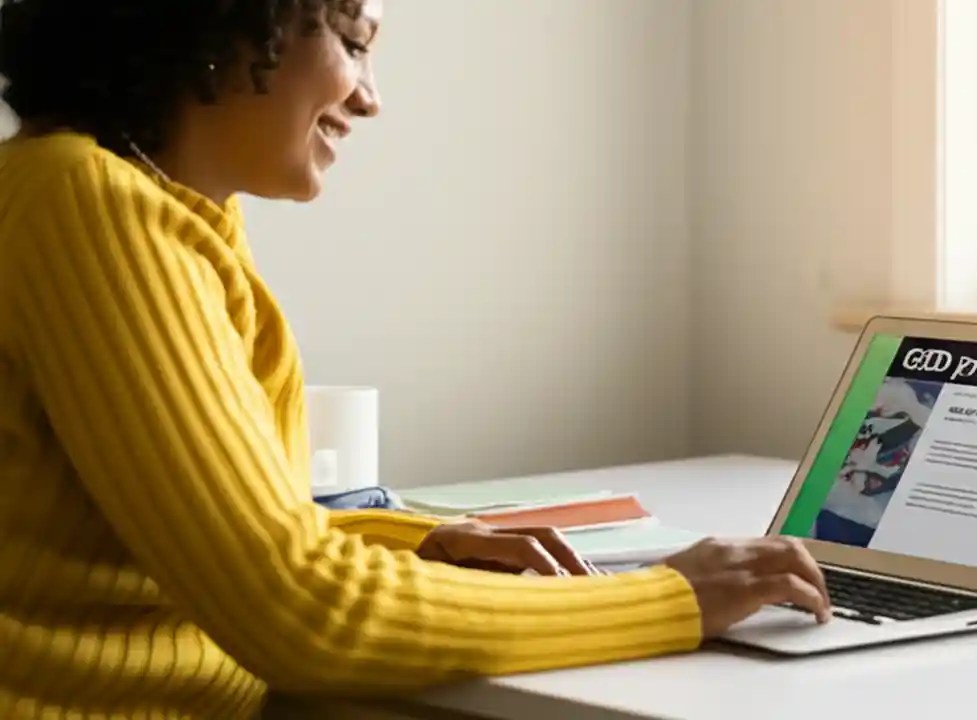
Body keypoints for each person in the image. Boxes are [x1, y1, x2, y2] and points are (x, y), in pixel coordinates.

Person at [0, 1, 831, 717]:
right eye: (354, 43)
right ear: (229, 23)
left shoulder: (123, 200)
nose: (369, 98)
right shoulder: (94, 208)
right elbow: (300, 611)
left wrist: (415, 544)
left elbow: (169, 531)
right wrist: (672, 599)